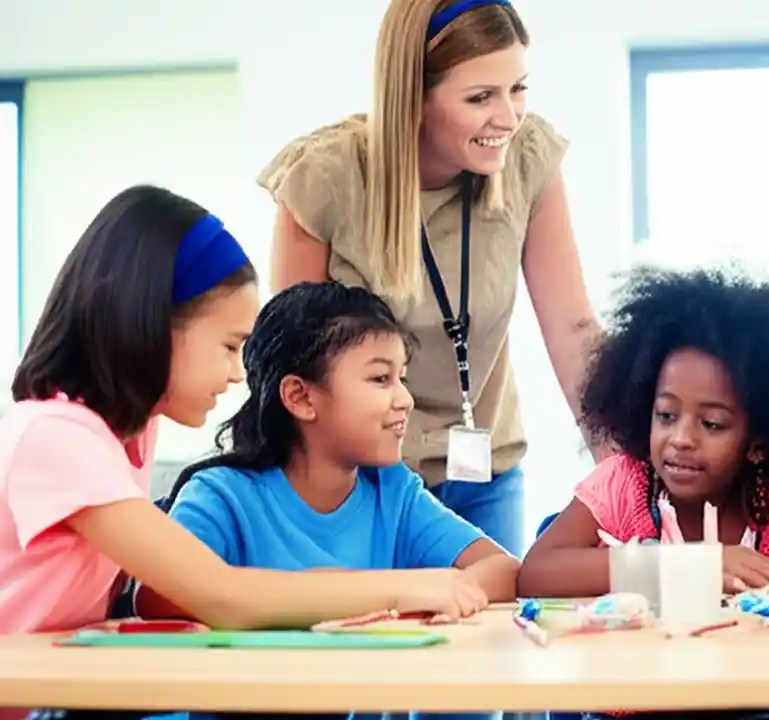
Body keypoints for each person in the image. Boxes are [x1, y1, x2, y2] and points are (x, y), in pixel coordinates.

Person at [0, 186, 504, 720]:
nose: (239, 372)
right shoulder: (56, 437)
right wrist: (411, 589)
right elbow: (222, 596)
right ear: (149, 324)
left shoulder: (125, 438)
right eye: (227, 346)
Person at [259, 0, 598, 556]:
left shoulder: (527, 158)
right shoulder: (326, 176)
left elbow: (575, 329)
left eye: (518, 88)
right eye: (480, 97)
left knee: (490, 631)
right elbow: (290, 361)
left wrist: (627, 475)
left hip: (487, 470)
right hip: (366, 482)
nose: (509, 118)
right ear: (413, 97)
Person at [137, 281, 517, 720]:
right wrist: (346, 591)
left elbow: (503, 570)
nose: (405, 399)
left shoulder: (392, 491)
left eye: (402, 378)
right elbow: (157, 598)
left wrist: (421, 599)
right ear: (300, 397)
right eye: (380, 379)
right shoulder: (223, 494)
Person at [519, 265, 769, 602]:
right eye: (666, 415)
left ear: (758, 443)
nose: (681, 438)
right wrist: (690, 568)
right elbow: (536, 572)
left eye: (712, 424)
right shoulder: (626, 483)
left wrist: (758, 574)